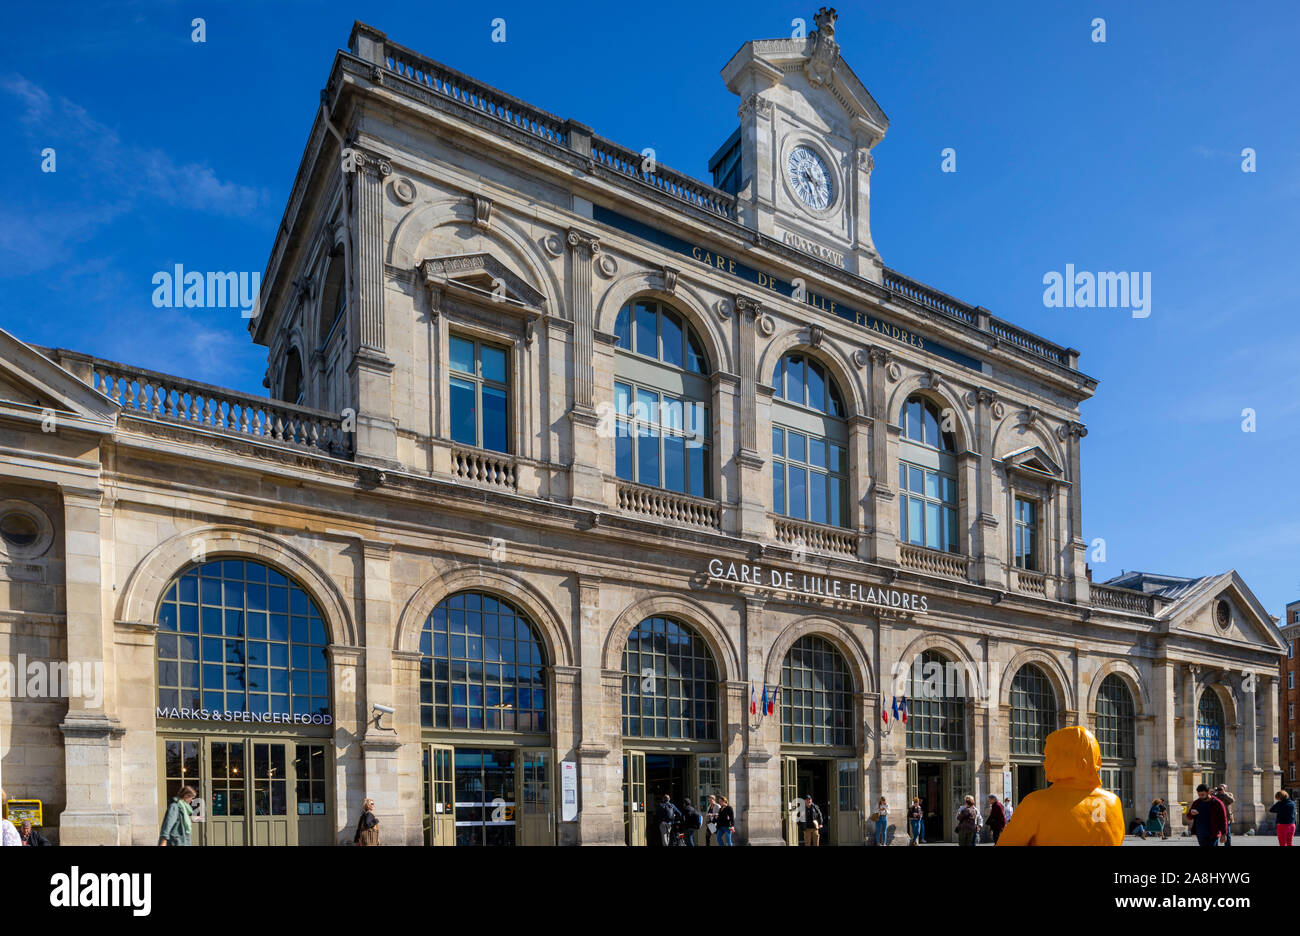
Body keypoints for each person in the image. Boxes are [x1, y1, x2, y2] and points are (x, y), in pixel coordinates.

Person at [997, 726, 1125, 846]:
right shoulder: (1113, 803)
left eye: (1048, 757)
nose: (1045, 764)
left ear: (1065, 759)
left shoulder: (1036, 803)